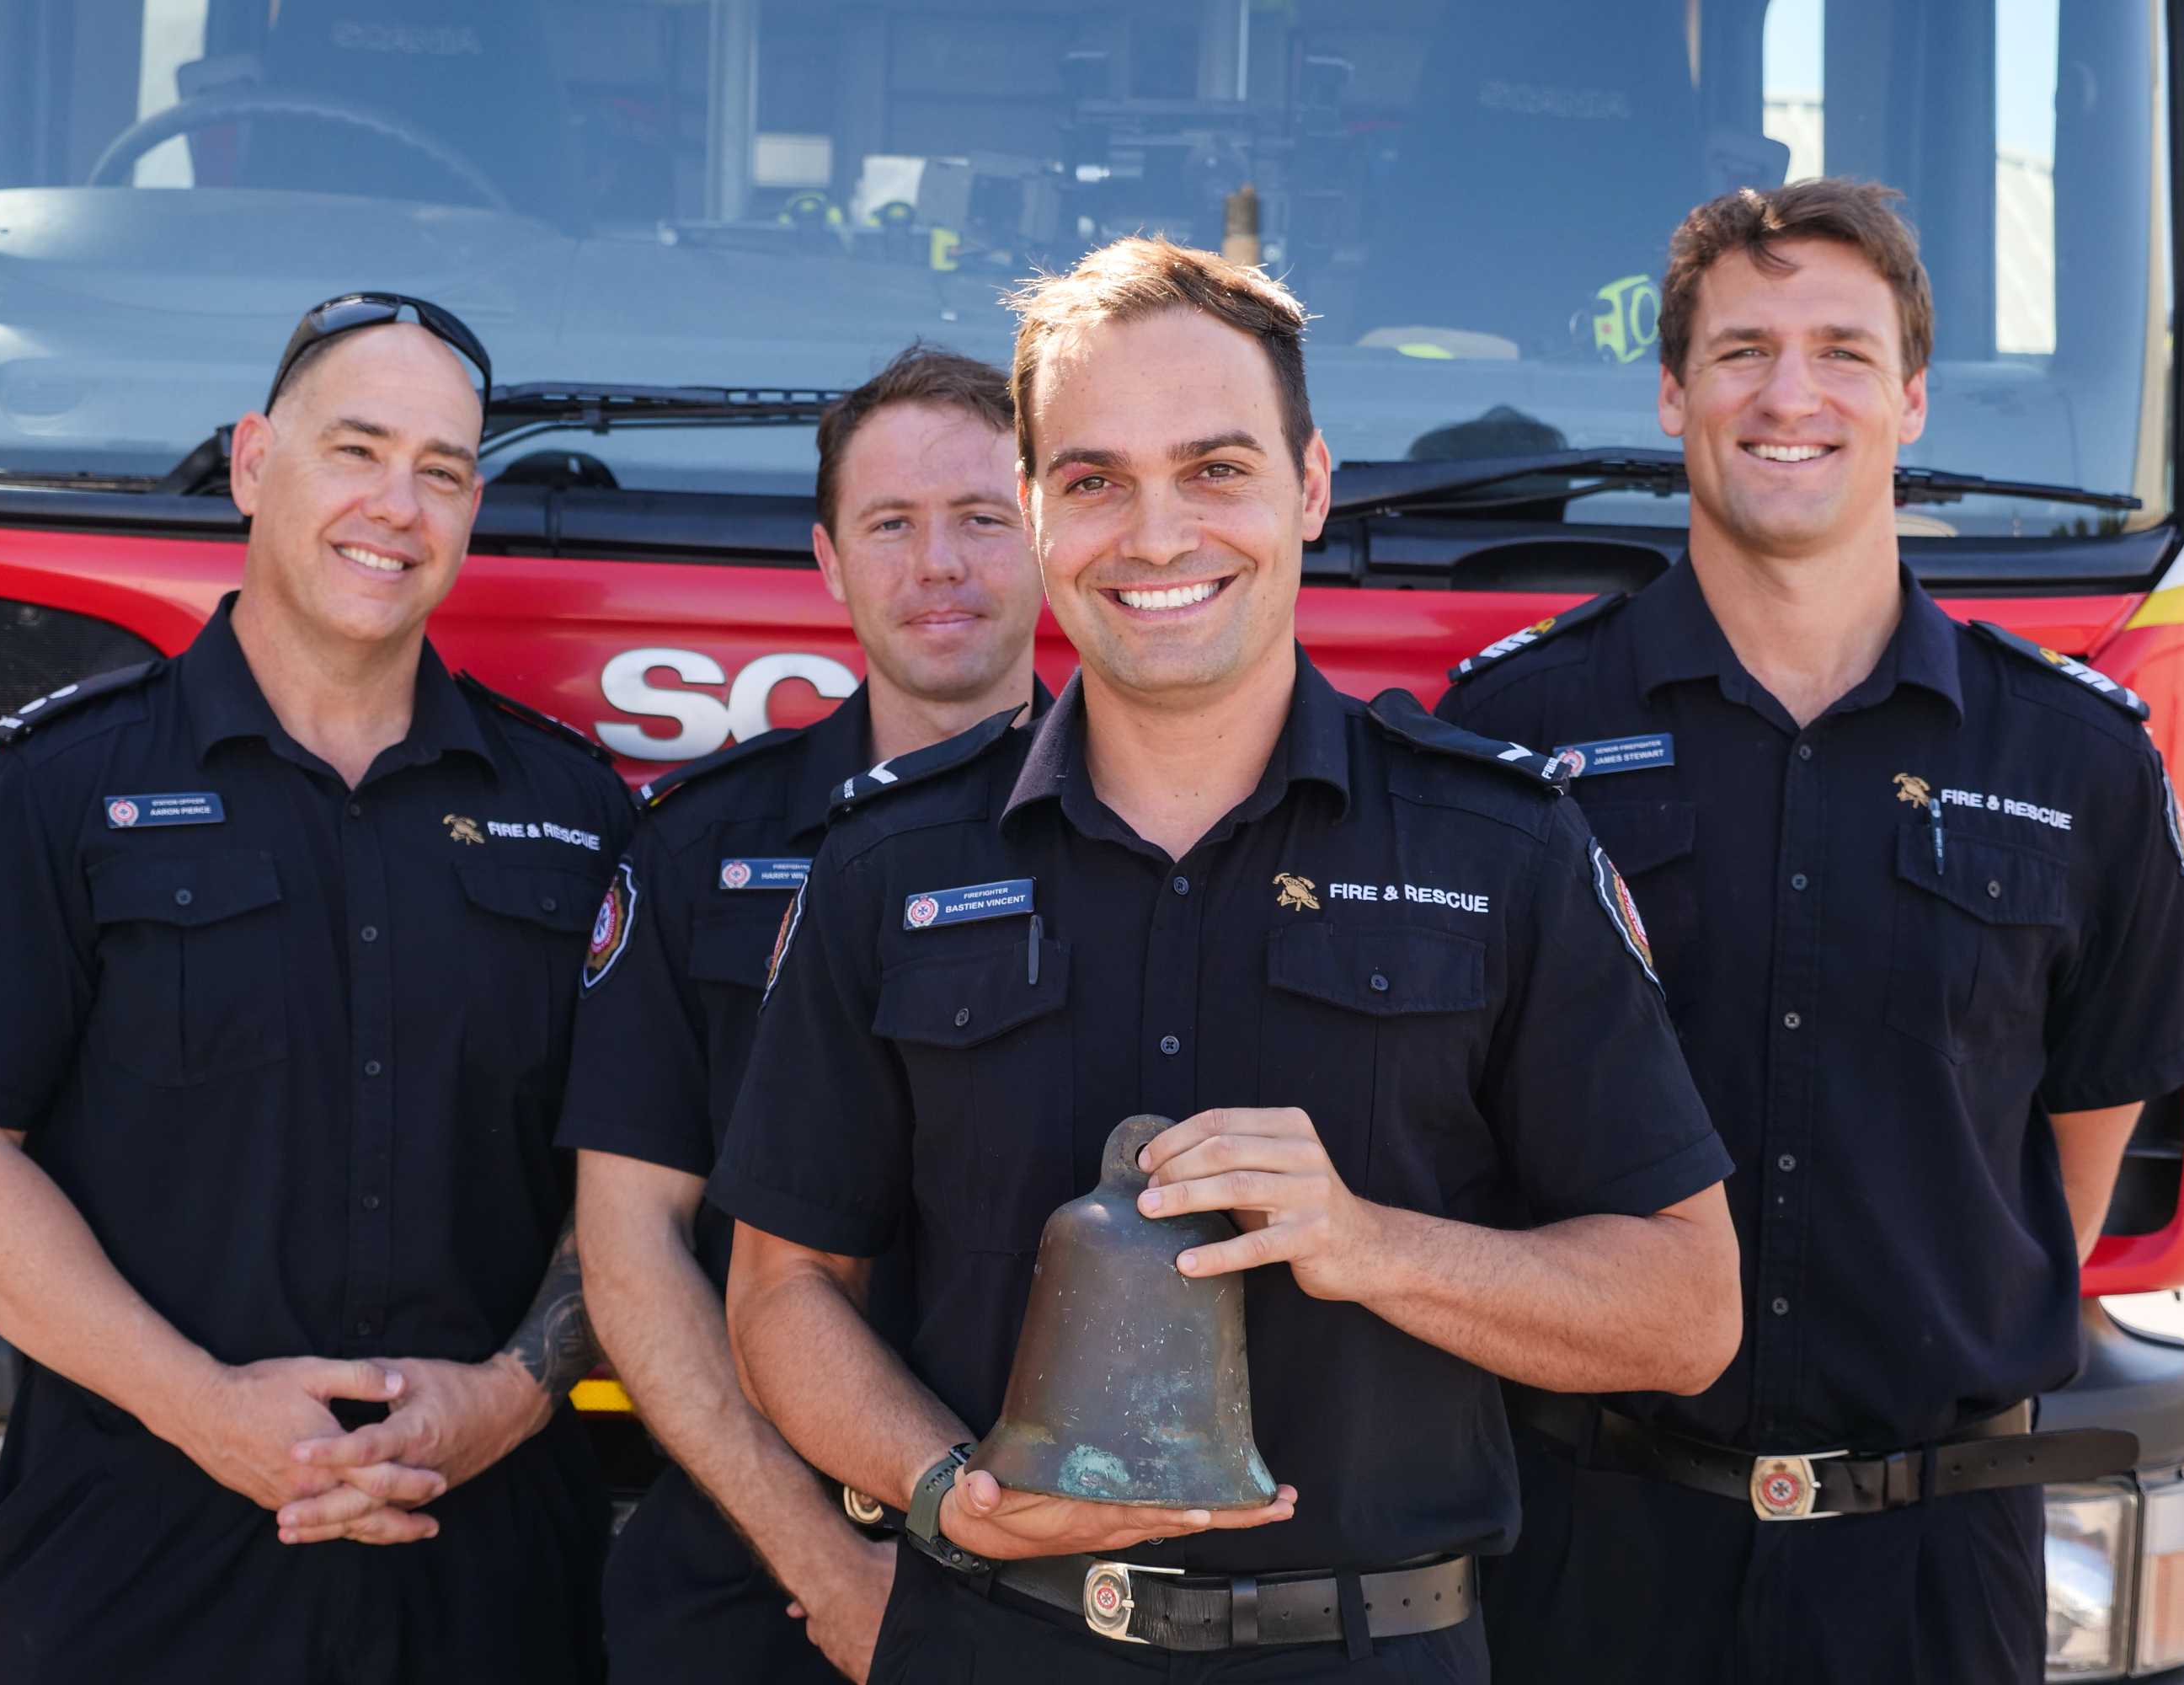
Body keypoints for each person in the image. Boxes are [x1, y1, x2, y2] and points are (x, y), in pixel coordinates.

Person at [710, 237, 1743, 1682]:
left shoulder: (1499, 847)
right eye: (1094, 481)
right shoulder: (890, 867)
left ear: (1310, 486)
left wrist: (1366, 1242)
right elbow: (781, 1294)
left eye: (1216, 469)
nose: (1155, 535)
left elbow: (1688, 1311)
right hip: (1002, 1644)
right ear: (1032, 511)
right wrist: (948, 1488)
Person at [1438, 180, 2184, 1685]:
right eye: (1741, 351)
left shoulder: (2080, 760)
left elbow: (2069, 1167)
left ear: (1913, 397)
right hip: (1583, 1560)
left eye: (1844, 352)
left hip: (1930, 1573)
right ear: (1673, 391)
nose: (1790, 396)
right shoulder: (1512, 736)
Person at [0, 294, 627, 1684]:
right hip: (134, 1578)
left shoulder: (576, 812)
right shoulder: (62, 791)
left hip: (490, 1583)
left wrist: (513, 1400)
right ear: (255, 464)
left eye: (443, 471)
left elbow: (638, 1176)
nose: (397, 505)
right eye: (357, 450)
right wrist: (201, 1407)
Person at [558, 343, 1049, 1683]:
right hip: (750, 1573)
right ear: (828, 562)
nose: (937, 563)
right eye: (891, 525)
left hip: (1081, 1590)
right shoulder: (698, 846)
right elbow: (632, 1246)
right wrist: (823, 1560)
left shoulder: (1158, 836)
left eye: (982, 519)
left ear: (1052, 534)